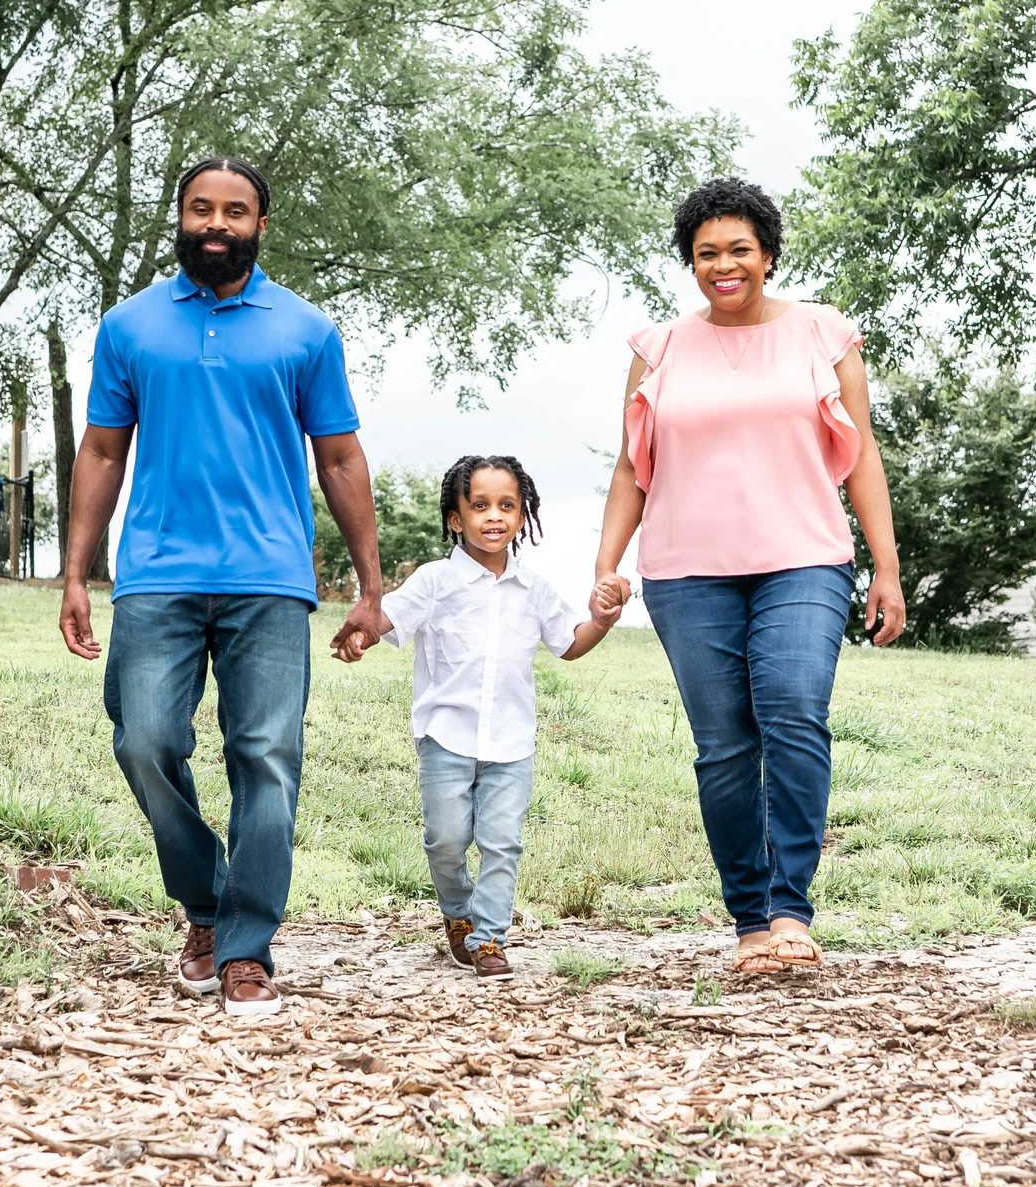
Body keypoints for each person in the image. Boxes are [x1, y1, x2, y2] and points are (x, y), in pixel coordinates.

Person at [58, 157, 386, 1020]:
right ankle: (207, 899)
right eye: (200, 207)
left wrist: (370, 584)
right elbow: (100, 450)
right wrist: (74, 571)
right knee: (144, 742)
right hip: (157, 574)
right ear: (179, 216)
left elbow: (341, 456)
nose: (216, 222)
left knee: (266, 759)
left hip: (271, 579)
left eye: (234, 211)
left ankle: (244, 947)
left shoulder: (305, 330)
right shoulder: (130, 327)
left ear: (259, 225)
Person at [595, 176, 903, 980]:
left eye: (739, 249)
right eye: (706, 253)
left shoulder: (824, 333)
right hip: (686, 570)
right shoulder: (656, 349)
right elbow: (633, 466)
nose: (723, 265)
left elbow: (861, 452)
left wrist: (887, 567)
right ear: (689, 262)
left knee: (794, 709)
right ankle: (749, 919)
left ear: (767, 254)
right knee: (725, 745)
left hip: (804, 556)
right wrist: (607, 562)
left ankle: (791, 907)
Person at [334, 456, 628, 982]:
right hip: (445, 737)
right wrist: (361, 632)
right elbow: (389, 616)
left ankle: (489, 938)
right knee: (445, 840)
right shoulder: (435, 581)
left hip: (512, 744)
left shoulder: (535, 589)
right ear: (456, 518)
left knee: (502, 842)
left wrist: (602, 621)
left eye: (507, 506)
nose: (494, 516)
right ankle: (458, 912)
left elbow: (570, 643)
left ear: (522, 516)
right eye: (480, 505)